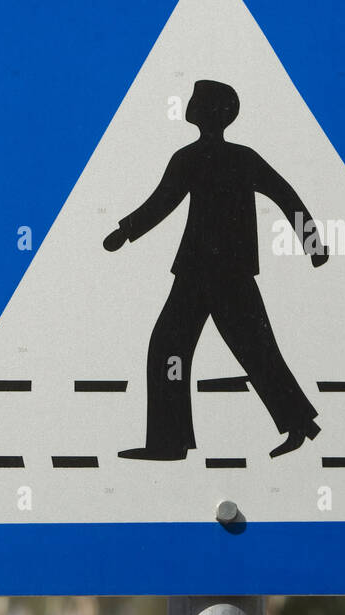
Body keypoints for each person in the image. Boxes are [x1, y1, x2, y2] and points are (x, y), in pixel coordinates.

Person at [103, 80, 327, 460]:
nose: (189, 106)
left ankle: (173, 441)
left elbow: (283, 195)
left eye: (197, 101)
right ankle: (296, 422)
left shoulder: (216, 158)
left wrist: (313, 244)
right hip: (216, 271)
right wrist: (126, 230)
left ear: (209, 112)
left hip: (209, 272)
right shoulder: (211, 158)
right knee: (232, 349)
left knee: (179, 348)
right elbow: (163, 201)